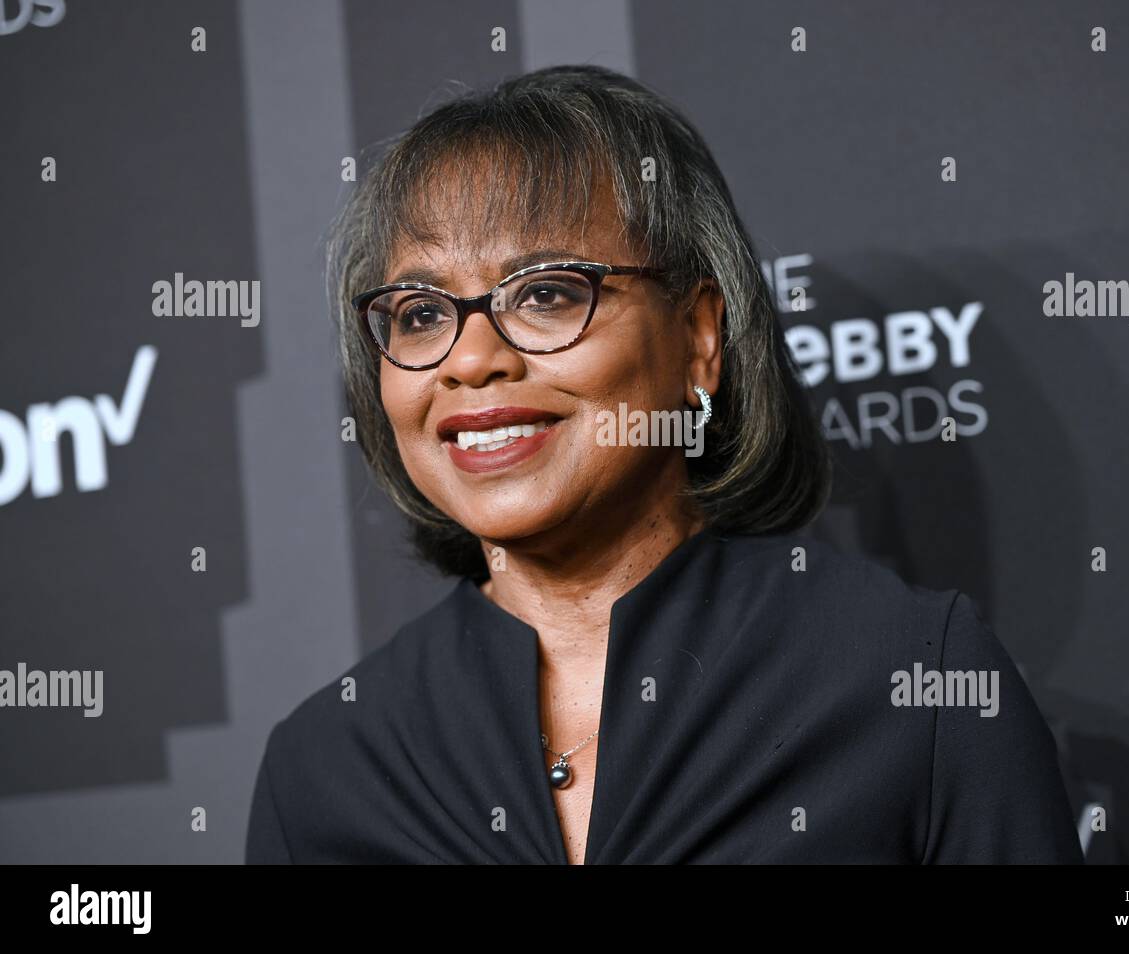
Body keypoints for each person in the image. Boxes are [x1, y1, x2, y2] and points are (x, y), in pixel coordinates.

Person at [245, 64, 1082, 865]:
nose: (470, 360)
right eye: (421, 313)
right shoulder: (324, 768)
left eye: (545, 292)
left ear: (699, 337)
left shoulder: (913, 676)